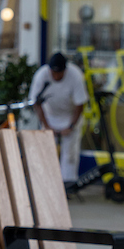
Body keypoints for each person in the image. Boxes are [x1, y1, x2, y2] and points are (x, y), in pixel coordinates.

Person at [29, 51, 88, 183]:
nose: (56, 76)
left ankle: (68, 185)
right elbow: (36, 104)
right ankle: (46, 184)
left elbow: (80, 104)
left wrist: (71, 126)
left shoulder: (75, 75)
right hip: (49, 115)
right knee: (47, 152)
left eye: (59, 73)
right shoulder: (41, 76)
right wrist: (47, 125)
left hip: (70, 116)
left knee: (69, 155)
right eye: (53, 73)